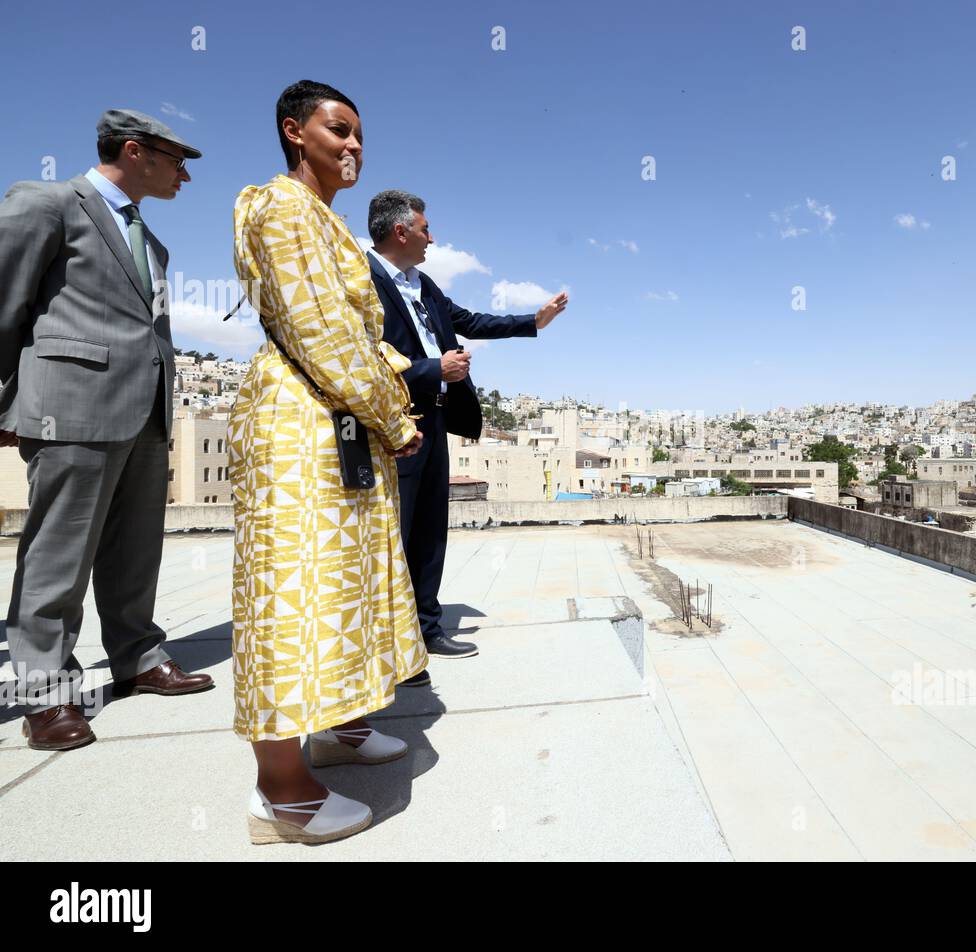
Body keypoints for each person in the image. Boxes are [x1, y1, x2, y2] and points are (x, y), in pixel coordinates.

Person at [229, 81, 428, 845]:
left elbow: (353, 332)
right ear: (293, 131)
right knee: (295, 590)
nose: (354, 146)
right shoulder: (280, 207)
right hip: (301, 418)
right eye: (338, 130)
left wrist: (389, 405)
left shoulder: (325, 220)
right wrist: (391, 414)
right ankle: (282, 793)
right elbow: (319, 332)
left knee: (343, 580)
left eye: (359, 137)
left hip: (335, 415)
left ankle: (339, 723)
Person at [0, 109, 213, 751]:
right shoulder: (47, 204)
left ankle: (137, 658)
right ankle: (43, 691)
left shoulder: (152, 241)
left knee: (135, 548)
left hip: (145, 412)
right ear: (133, 150)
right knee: (58, 553)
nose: (184, 175)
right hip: (71, 407)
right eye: (177, 160)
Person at [366, 190, 567, 667]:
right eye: (424, 229)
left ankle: (426, 629)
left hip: (434, 422)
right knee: (395, 532)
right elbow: (360, 359)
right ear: (401, 231)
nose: (432, 238)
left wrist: (532, 322)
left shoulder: (424, 284)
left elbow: (468, 320)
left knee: (431, 531)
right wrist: (432, 369)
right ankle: (388, 643)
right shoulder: (362, 280)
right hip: (394, 427)